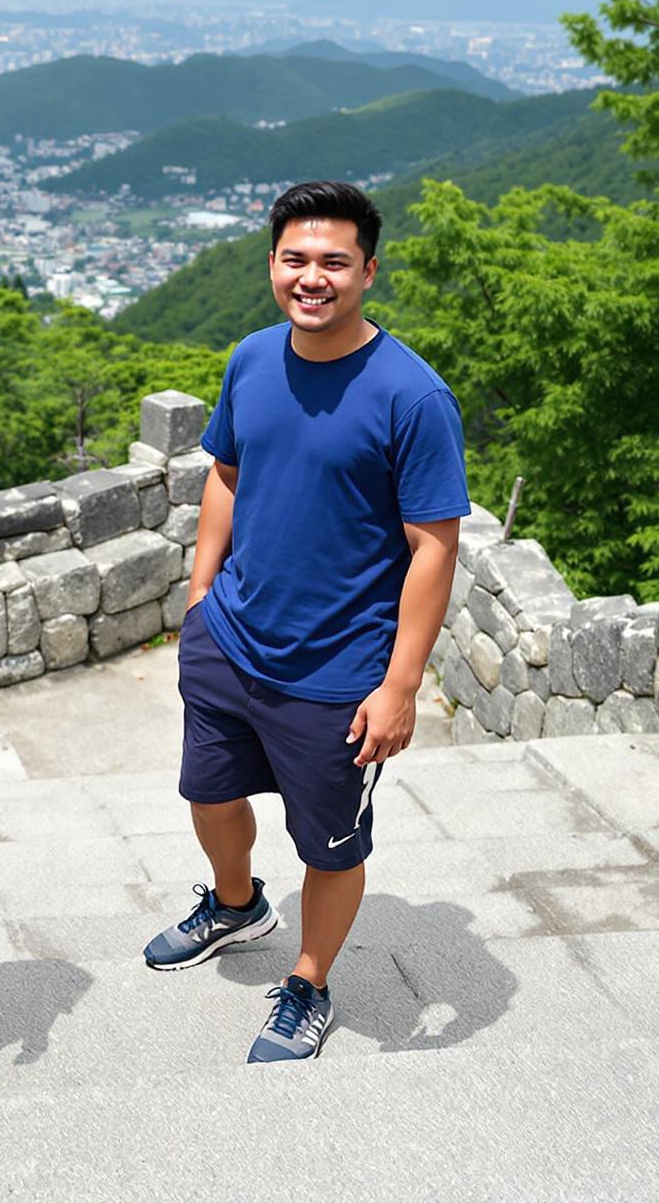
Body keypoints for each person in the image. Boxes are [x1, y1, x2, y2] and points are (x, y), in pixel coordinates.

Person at [142, 179, 465, 1062]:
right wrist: (200, 588)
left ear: (367, 269)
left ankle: (308, 983)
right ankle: (236, 903)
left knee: (329, 841)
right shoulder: (252, 358)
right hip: (230, 637)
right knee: (207, 793)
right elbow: (228, 472)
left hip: (337, 673)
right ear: (272, 264)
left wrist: (399, 686)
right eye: (295, 259)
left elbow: (434, 546)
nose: (311, 277)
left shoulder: (412, 395)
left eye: (333, 261)